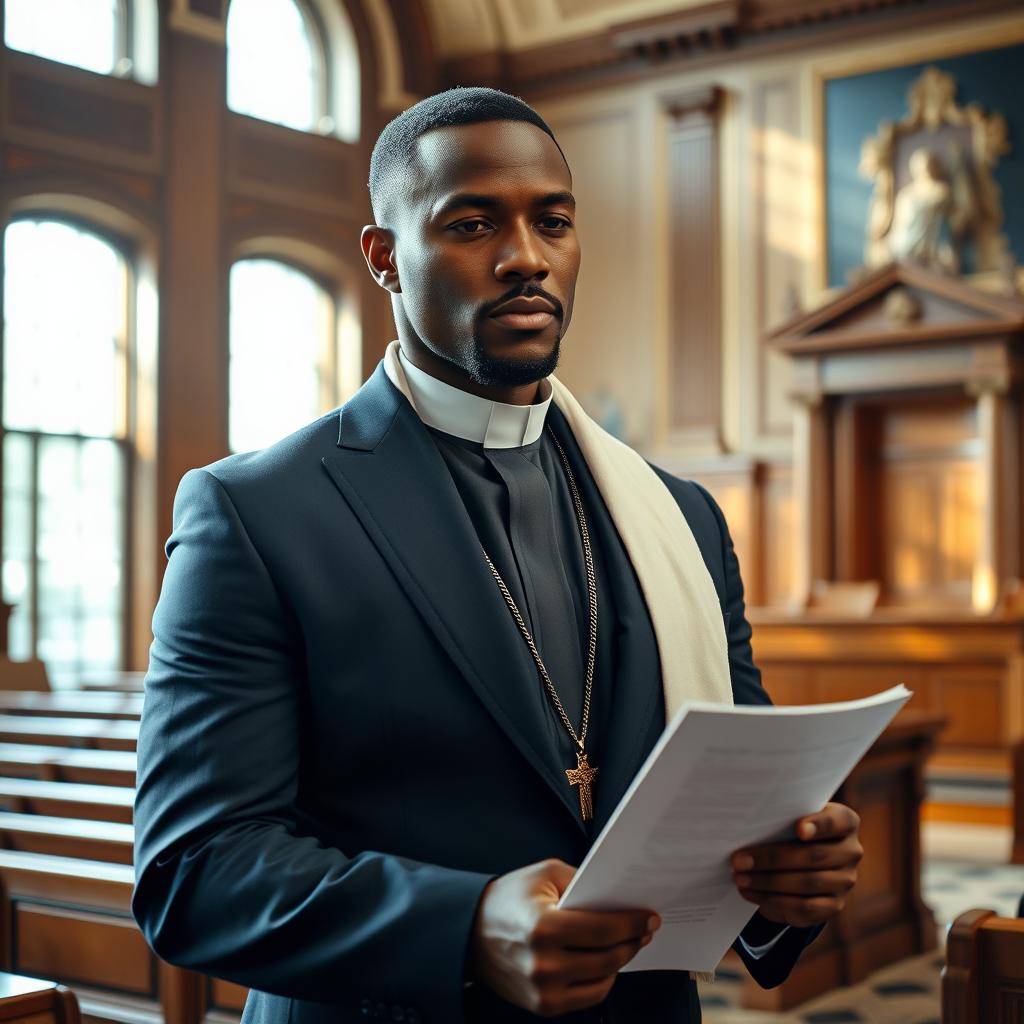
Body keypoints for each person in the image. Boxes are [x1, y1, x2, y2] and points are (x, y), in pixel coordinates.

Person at [132, 87, 863, 1024]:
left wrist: (790, 872)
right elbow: (194, 870)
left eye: (552, 221)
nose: (526, 257)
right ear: (385, 259)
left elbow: (736, 785)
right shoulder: (258, 512)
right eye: (473, 223)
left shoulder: (682, 516)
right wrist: (466, 925)